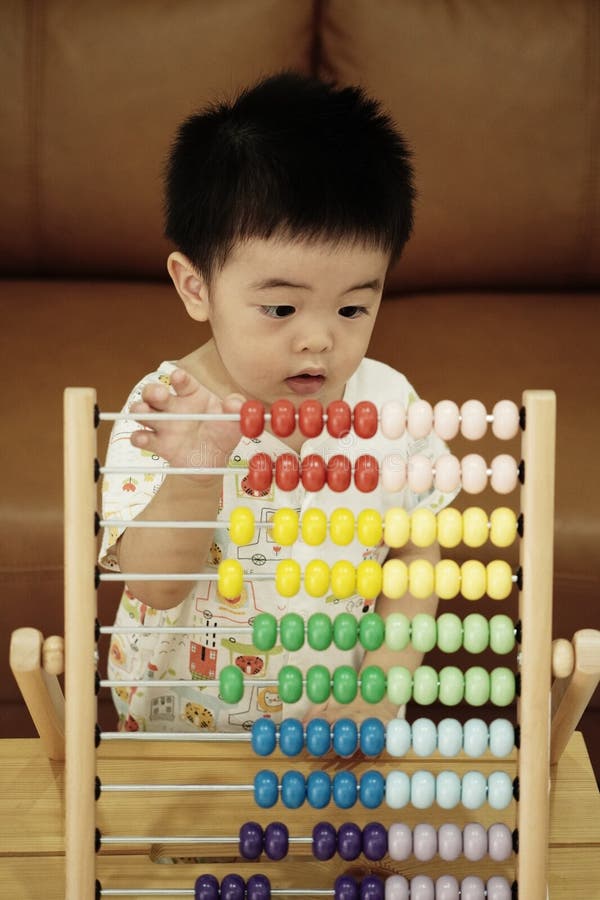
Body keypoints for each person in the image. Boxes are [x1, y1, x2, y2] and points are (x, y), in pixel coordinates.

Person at [99, 71, 459, 733]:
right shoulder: (166, 408)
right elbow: (152, 586)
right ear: (196, 287)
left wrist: (379, 686)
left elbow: (416, 553)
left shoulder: (390, 405)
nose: (319, 338)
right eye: (281, 307)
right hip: (178, 742)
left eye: (354, 306)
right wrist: (192, 477)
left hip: (333, 732)